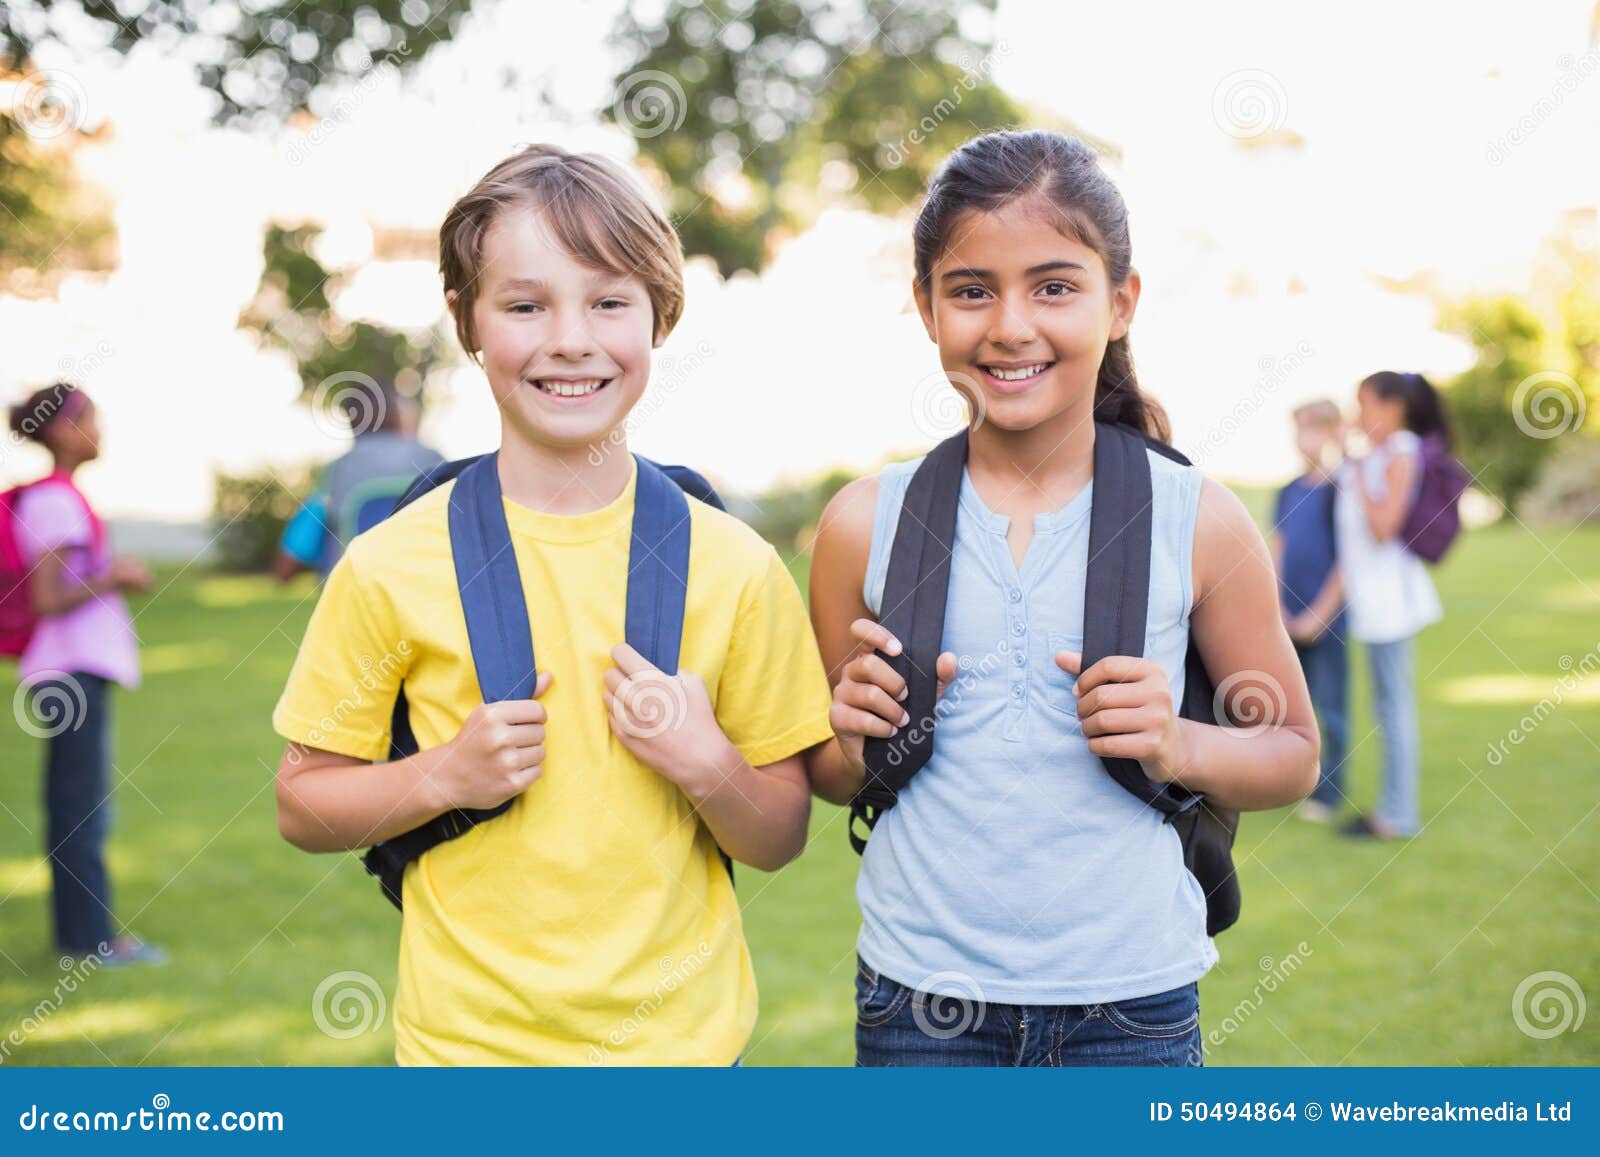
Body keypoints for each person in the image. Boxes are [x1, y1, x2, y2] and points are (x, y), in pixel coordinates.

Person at [270, 144, 834, 1065]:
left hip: (686, 1059)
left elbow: (778, 834)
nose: (571, 339)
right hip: (466, 1061)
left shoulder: (734, 565)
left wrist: (706, 762)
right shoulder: (387, 566)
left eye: (609, 302)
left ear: (658, 317)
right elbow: (302, 804)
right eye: (526, 305)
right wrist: (443, 774)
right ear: (468, 321)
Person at [805, 130, 1320, 1066]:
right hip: (921, 1003)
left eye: (1054, 286)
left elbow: (1292, 753)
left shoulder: (1194, 518)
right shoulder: (861, 523)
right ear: (925, 308)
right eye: (971, 290)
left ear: (1119, 302)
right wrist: (847, 736)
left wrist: (1178, 742)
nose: (1010, 325)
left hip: (1128, 1007)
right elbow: (837, 774)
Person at [7, 383, 165, 966]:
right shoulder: (55, 501)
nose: (98, 432)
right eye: (89, 421)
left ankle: (85, 937)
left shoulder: (60, 497)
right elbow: (47, 598)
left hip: (74, 672)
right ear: (60, 430)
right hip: (70, 673)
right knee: (80, 809)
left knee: (78, 805)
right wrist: (115, 576)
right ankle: (90, 941)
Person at [1333, 371, 1446, 839]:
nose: (1359, 417)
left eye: (1365, 405)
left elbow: (1383, 526)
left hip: (1391, 604)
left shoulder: (1400, 452)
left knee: (1394, 706)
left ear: (1392, 406)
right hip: (1375, 601)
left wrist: (1355, 465)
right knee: (1386, 704)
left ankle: (1397, 815)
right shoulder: (1383, 453)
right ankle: (1391, 807)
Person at [272, 379, 444, 582]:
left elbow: (288, 563)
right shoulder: (434, 460)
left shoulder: (338, 470)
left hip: (354, 596)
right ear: (397, 415)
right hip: (424, 589)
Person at [1272, 400, 1349, 822]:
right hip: (1287, 614)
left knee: (1330, 705)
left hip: (1329, 621)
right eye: (1299, 431)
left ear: (1335, 432)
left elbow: (1346, 561)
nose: (1305, 441)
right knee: (1285, 705)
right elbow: (1278, 548)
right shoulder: (1289, 490)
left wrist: (1319, 615)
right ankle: (1283, 781)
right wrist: (1278, 607)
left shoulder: (1341, 491)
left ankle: (1329, 793)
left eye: (1313, 430)